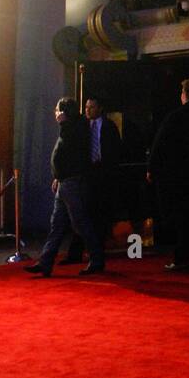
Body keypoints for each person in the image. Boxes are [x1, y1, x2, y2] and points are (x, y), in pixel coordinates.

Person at [25, 97, 105, 277]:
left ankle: (97, 259)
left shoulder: (76, 127)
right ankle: (45, 262)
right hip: (65, 182)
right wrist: (57, 177)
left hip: (72, 183)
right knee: (57, 224)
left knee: (80, 223)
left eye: (57, 111)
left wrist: (64, 125)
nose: (55, 114)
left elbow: (72, 149)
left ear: (63, 112)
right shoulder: (75, 126)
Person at [147, 77, 189, 271]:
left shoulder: (176, 117)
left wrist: (152, 168)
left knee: (182, 218)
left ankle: (182, 258)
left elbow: (160, 143)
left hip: (180, 176)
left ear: (185, 95)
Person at [62, 96, 122, 265]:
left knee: (100, 214)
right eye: (86, 107)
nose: (87, 110)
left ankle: (98, 252)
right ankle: (76, 254)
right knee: (81, 215)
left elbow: (115, 150)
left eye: (92, 107)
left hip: (103, 176)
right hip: (86, 175)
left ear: (100, 108)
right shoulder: (82, 127)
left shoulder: (109, 127)